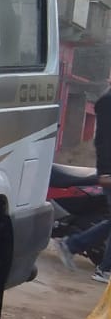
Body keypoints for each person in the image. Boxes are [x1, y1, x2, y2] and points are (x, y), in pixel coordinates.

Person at [55, 86, 111, 283]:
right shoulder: (107, 101)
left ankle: (72, 246)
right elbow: (103, 141)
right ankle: (102, 268)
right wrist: (105, 172)